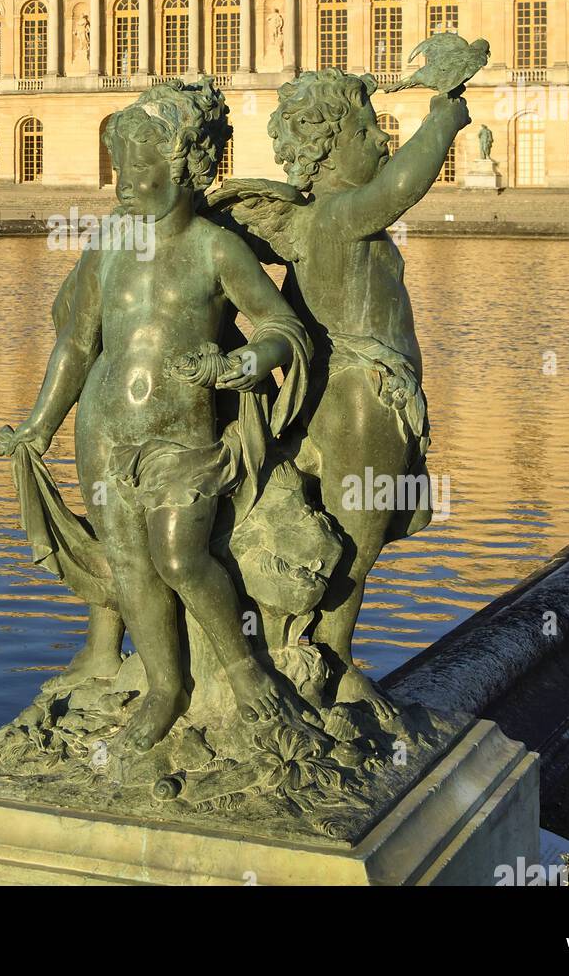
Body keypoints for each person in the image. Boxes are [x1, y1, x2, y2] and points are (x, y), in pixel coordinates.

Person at [0, 80, 310, 752]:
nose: (124, 184)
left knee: (180, 556)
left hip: (183, 436)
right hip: (103, 430)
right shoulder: (110, 242)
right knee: (130, 565)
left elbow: (281, 324)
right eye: (119, 168)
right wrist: (41, 424)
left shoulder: (216, 248)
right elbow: (77, 343)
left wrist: (247, 361)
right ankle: (166, 688)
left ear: (189, 167)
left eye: (140, 170)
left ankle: (243, 670)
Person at [215, 69, 468, 706]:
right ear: (329, 146)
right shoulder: (335, 216)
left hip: (344, 389)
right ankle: (332, 656)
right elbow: (401, 186)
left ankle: (300, 648)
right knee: (361, 529)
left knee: (349, 522)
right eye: (368, 131)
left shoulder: (317, 222)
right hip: (361, 396)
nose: (382, 142)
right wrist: (444, 114)